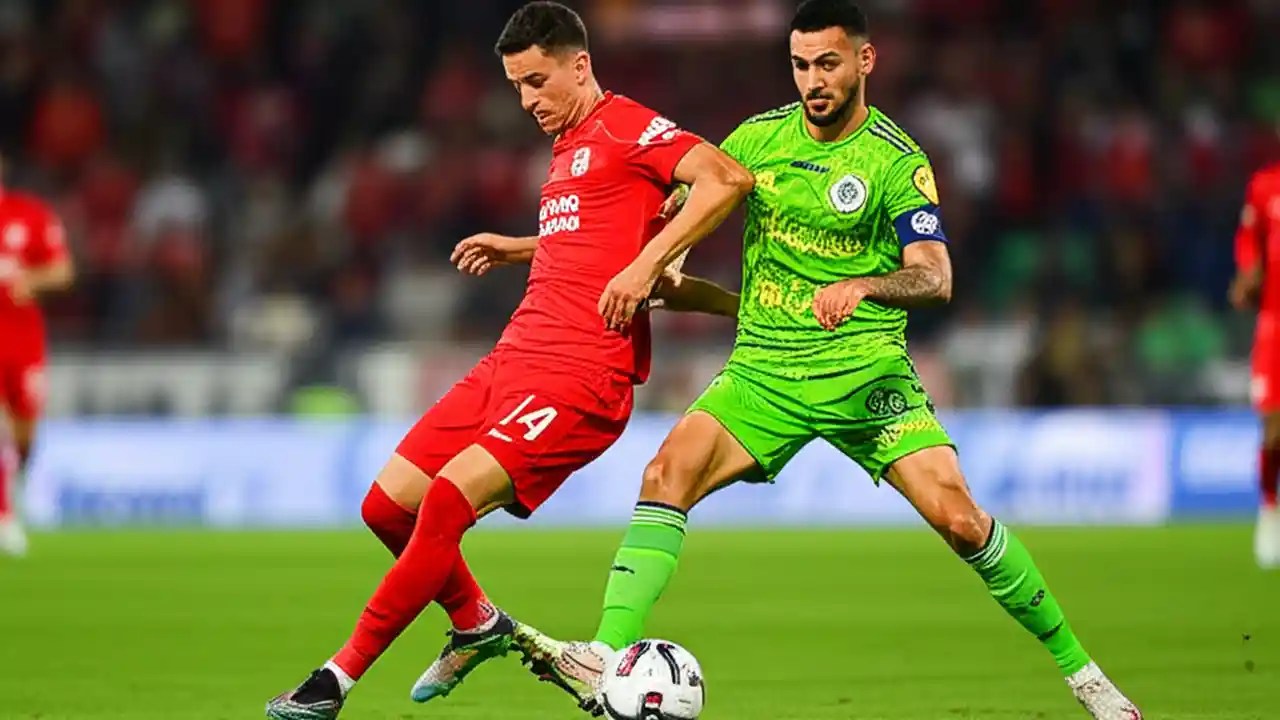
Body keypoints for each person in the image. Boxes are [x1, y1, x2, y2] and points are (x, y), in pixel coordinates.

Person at [513, 2, 1143, 719]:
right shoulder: (755, 141)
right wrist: (535, 248)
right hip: (764, 374)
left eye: (828, 64)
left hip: (864, 375)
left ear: (864, 62)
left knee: (962, 521)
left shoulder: (896, 161)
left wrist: (866, 284)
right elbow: (654, 222)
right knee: (665, 474)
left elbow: (934, 277)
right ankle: (603, 656)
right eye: (801, 64)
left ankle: (1086, 677)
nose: (812, 80)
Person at [263, 3, 751, 718]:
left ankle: (334, 680)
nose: (527, 102)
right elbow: (591, 239)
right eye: (517, 86)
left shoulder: (628, 127)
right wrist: (520, 247)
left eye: (537, 81)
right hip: (514, 357)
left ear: (579, 65)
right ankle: (478, 624)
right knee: (386, 506)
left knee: (446, 502)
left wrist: (647, 270)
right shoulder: (569, 144)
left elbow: (728, 181)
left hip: (580, 374)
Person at [0, 155, 74, 557]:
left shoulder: (29, 215)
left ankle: (16, 487)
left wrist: (28, 279)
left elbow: (63, 271)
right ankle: (3, 515)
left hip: (23, 341)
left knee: (25, 432)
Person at [1230, 158, 1280, 569]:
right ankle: (1269, 510)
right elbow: (1249, 241)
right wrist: (1249, 273)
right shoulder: (1265, 186)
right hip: (1274, 325)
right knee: (1273, 425)